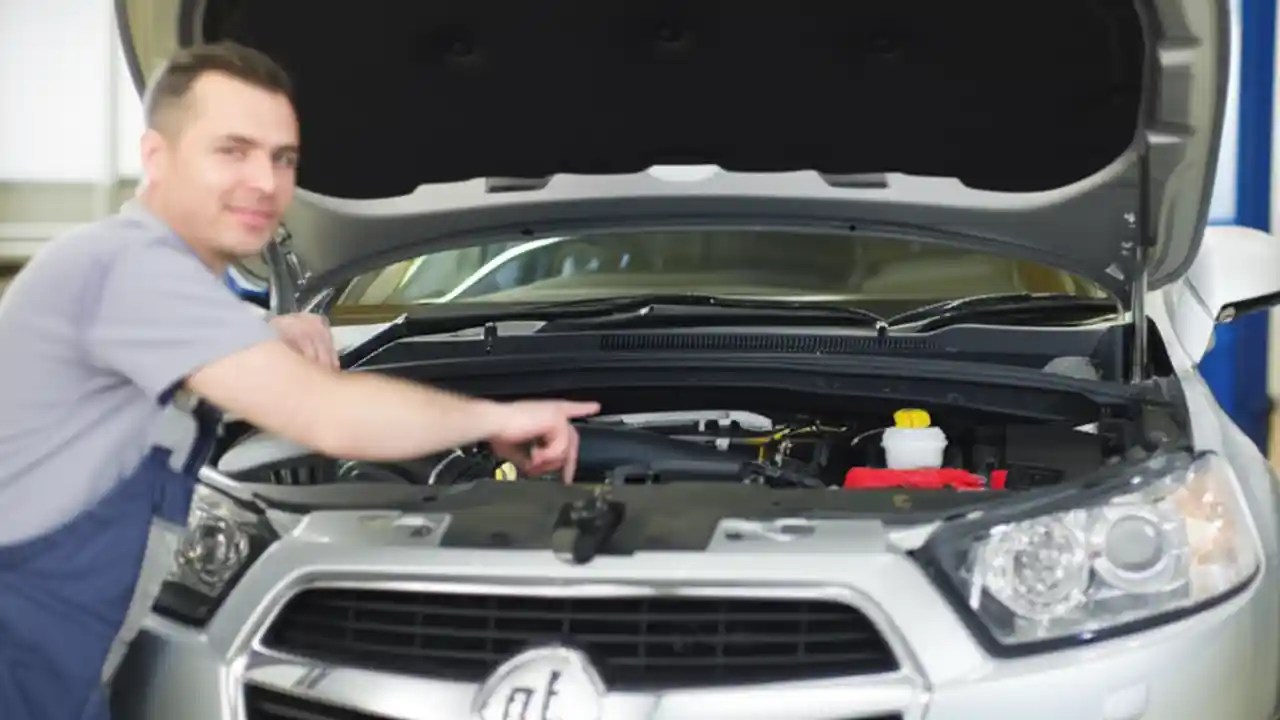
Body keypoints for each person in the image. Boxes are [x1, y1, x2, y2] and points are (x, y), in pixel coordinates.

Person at [0, 41, 598, 720]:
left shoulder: (145, 279)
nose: (265, 181)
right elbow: (329, 419)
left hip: (60, 669)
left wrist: (255, 334)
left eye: (282, 158)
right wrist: (496, 420)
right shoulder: (126, 269)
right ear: (156, 156)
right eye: (233, 150)